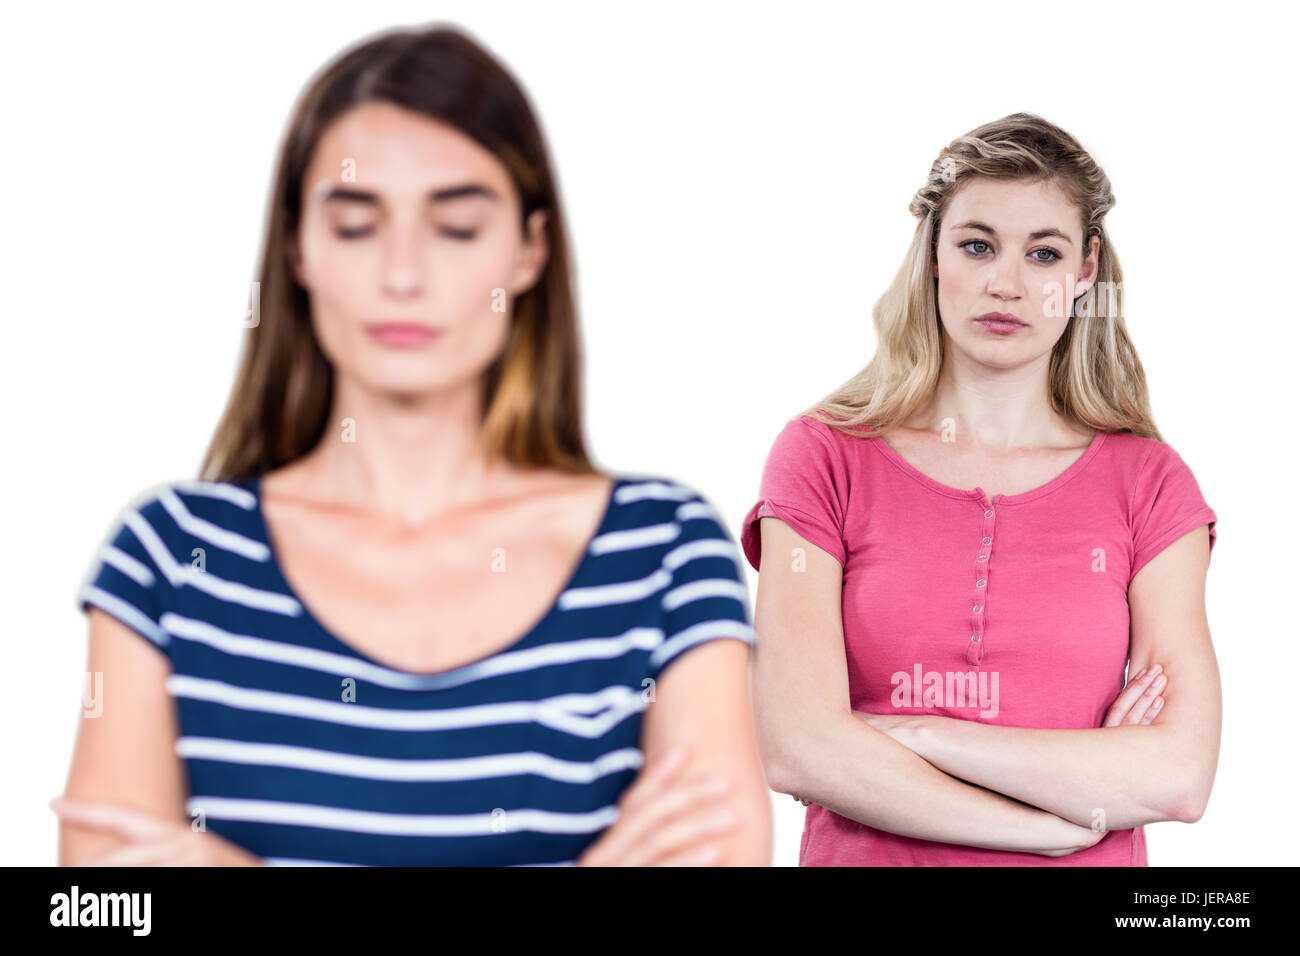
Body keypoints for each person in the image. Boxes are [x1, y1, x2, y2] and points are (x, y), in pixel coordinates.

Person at [57, 24, 770, 867]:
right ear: (297, 248)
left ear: (530, 249)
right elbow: (96, 907)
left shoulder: (662, 549)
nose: (403, 274)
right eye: (356, 226)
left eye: (457, 228)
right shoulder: (173, 555)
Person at [742, 113, 1219, 866]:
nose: (1006, 284)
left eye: (1043, 253)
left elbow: (1179, 776)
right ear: (933, 254)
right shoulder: (823, 457)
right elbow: (797, 749)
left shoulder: (1150, 485)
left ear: (1085, 271)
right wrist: (1050, 823)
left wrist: (915, 732)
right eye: (977, 244)